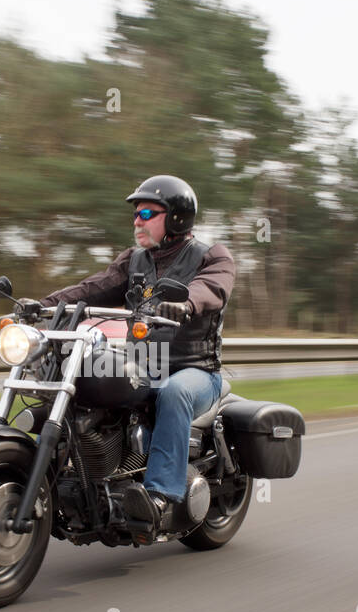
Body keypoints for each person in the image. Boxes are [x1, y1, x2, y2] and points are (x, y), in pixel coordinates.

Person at [23, 174, 236, 541]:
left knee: (174, 393)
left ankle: (161, 497)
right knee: (83, 380)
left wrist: (186, 304)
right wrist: (42, 305)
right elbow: (93, 288)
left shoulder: (211, 255)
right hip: (146, 364)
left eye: (148, 212)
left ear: (176, 218)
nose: (137, 220)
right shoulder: (135, 260)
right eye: (136, 213)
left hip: (195, 369)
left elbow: (212, 287)